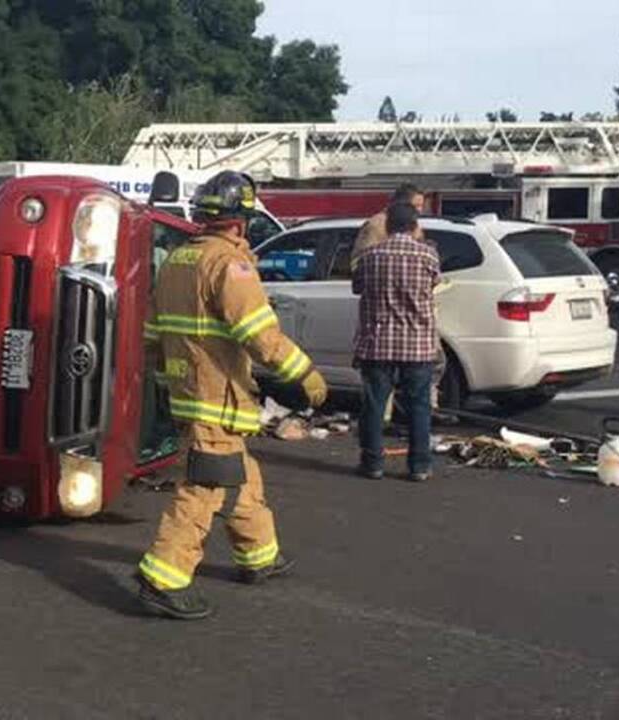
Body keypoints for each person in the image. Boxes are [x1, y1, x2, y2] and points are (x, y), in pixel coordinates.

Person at [135, 171, 328, 620]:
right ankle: (162, 579)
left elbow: (150, 333)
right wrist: (307, 376)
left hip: (186, 395)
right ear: (240, 222)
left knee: (240, 476)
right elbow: (260, 336)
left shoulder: (178, 260)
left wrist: (164, 374)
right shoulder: (230, 266)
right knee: (203, 488)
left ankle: (259, 556)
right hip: (216, 398)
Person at [353, 202, 441, 483]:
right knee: (418, 406)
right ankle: (419, 466)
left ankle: (373, 463)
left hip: (377, 342)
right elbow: (433, 285)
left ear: (388, 225)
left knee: (375, 405)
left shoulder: (370, 256)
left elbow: (357, 287)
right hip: (417, 344)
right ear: (415, 226)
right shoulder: (428, 256)